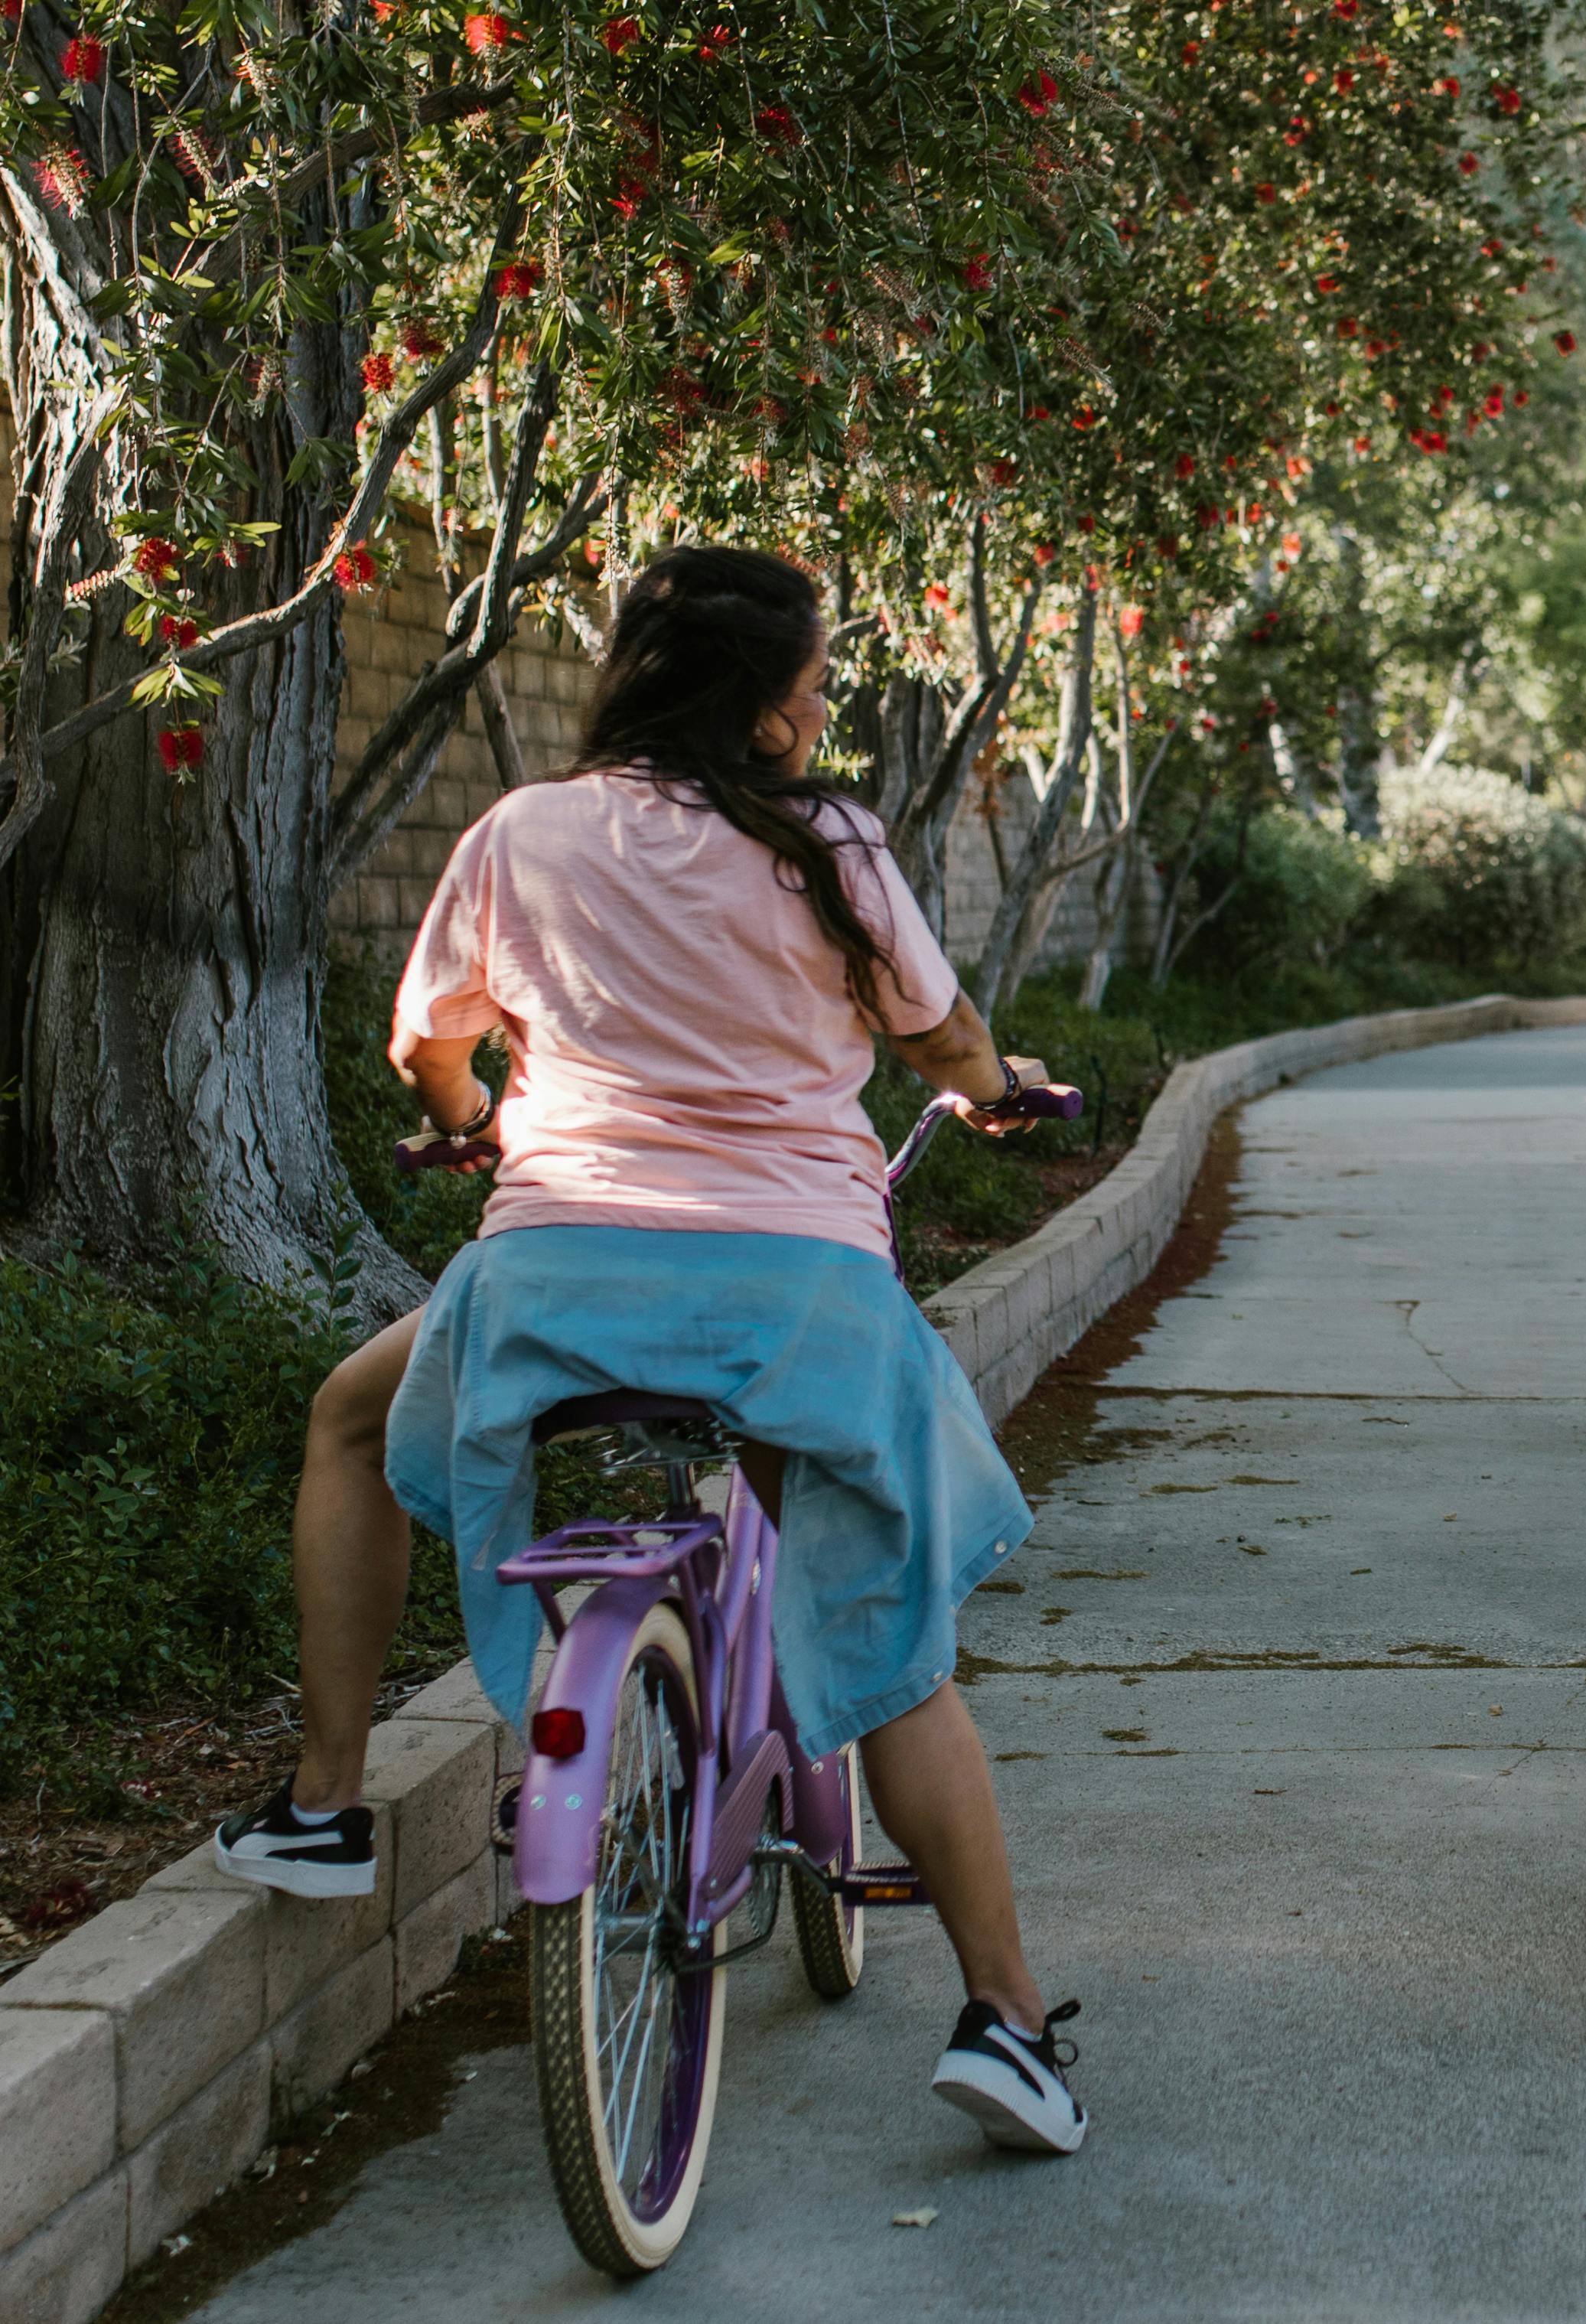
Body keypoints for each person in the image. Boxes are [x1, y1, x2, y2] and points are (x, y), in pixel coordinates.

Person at [210, 548, 1087, 2154]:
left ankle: (327, 1803)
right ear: (759, 710)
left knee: (350, 1423)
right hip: (796, 1290)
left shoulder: (520, 833)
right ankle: (1009, 2020)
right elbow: (945, 1041)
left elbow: (430, 1043)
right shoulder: (827, 845)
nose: (824, 706)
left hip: (557, 1277)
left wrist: (477, 1128)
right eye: (813, 682)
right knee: (891, 1636)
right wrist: (991, 1080)